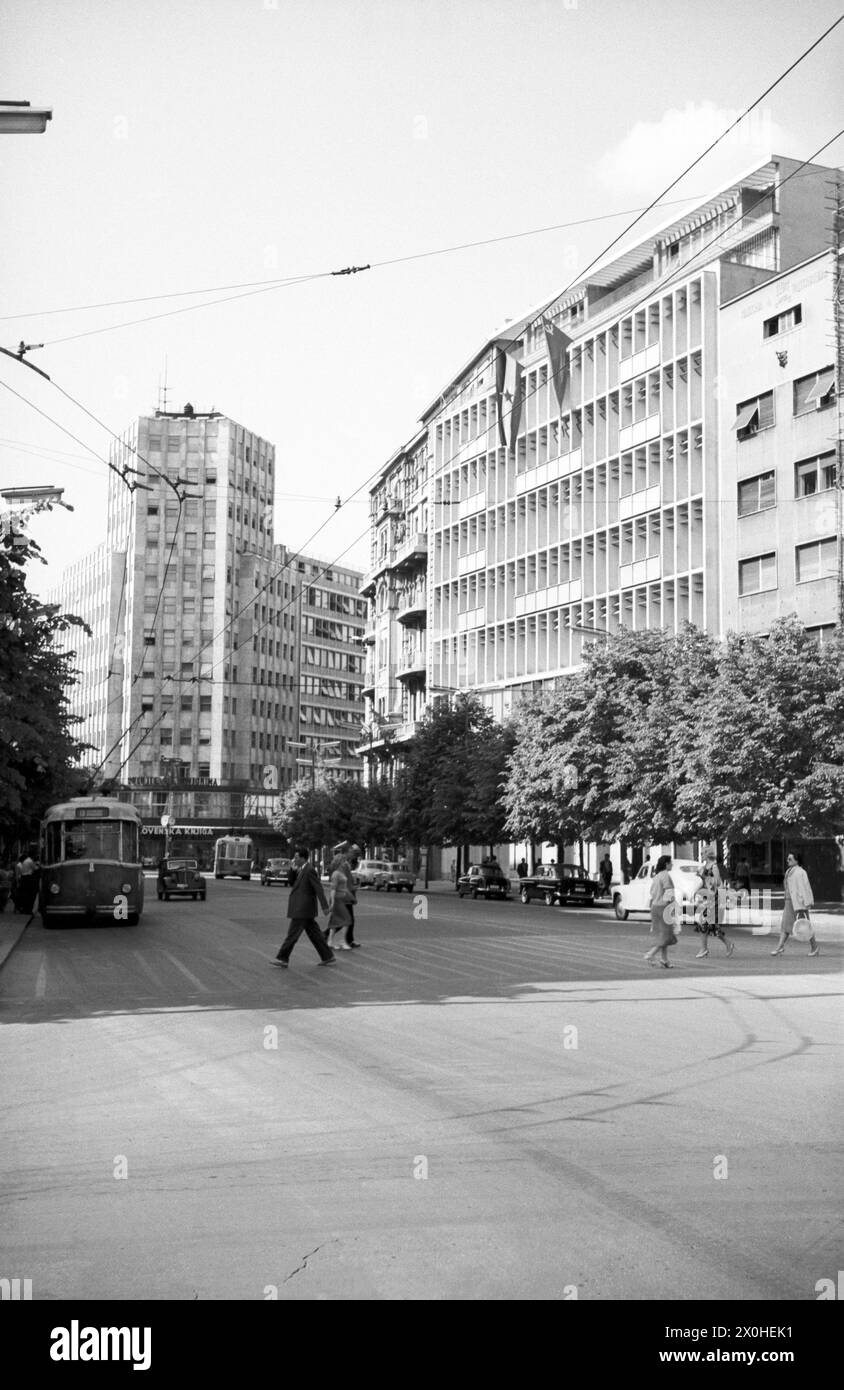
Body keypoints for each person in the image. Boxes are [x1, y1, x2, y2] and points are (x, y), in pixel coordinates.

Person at [274, 848, 335, 967]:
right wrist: (292, 869)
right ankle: (328, 956)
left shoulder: (309, 870)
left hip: (302, 909)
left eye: (296, 857)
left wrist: (325, 907)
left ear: (303, 858)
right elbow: (291, 883)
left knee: (292, 935)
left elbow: (318, 889)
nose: (294, 859)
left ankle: (283, 958)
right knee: (315, 934)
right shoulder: (301, 869)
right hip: (304, 909)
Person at [771, 852, 820, 957]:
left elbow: (805, 887)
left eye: (790, 859)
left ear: (796, 860)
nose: (787, 860)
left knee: (805, 925)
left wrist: (807, 902)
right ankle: (780, 947)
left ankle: (814, 947)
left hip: (798, 903)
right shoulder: (789, 871)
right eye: (787, 859)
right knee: (786, 925)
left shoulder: (801, 872)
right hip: (789, 901)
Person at [695, 850, 734, 958]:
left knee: (705, 922)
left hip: (716, 898)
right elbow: (704, 883)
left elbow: (717, 882)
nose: (701, 855)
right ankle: (727, 944)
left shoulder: (714, 867)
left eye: (702, 853)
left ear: (707, 855)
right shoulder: (705, 867)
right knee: (710, 925)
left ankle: (704, 949)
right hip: (710, 898)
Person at [644, 855, 677, 968]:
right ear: (666, 864)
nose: (672, 864)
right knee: (666, 936)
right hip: (664, 907)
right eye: (670, 863)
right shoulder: (666, 876)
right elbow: (669, 892)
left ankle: (664, 959)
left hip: (655, 907)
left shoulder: (656, 876)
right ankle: (650, 954)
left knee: (662, 934)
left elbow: (652, 893)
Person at [326, 852, 353, 952]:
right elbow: (333, 889)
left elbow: (345, 888)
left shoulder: (341, 872)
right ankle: (342, 941)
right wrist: (332, 902)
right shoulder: (336, 874)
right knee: (347, 919)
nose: (345, 863)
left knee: (334, 921)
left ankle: (330, 941)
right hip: (337, 900)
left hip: (341, 899)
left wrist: (350, 896)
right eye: (344, 861)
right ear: (340, 862)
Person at [14, 848, 39, 915]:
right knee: (30, 894)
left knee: (25, 894)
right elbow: (35, 868)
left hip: (24, 878)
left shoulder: (26, 861)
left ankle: (25, 909)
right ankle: (28, 910)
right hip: (28, 879)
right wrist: (38, 866)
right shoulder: (30, 861)